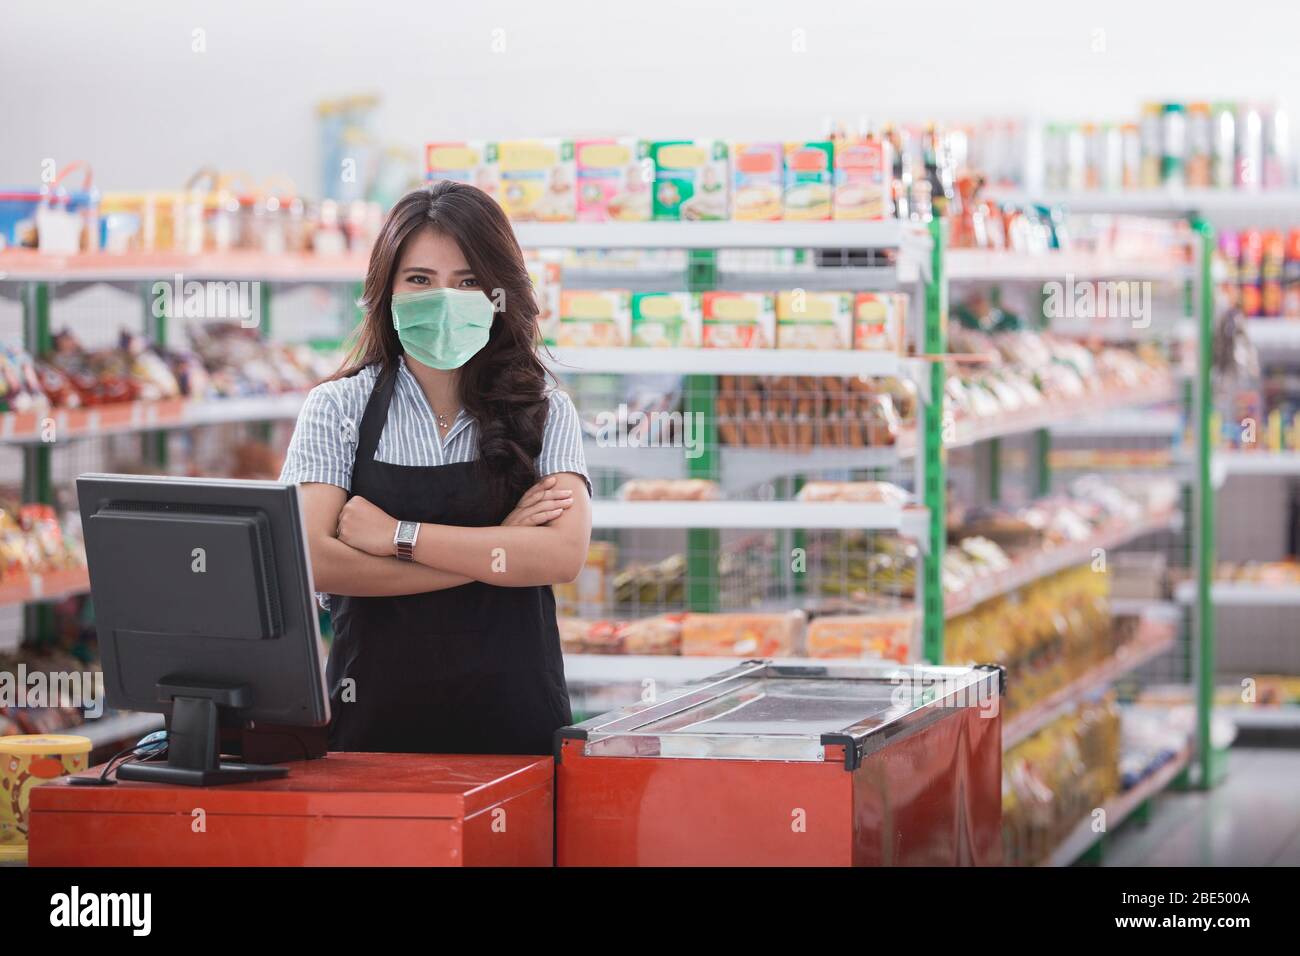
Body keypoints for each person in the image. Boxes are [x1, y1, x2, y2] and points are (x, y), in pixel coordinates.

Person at [279, 181, 591, 755]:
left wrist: (397, 537)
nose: (443, 299)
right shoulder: (338, 407)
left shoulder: (545, 408)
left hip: (514, 729)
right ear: (386, 290)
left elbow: (562, 556)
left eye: (468, 282)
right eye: (419, 280)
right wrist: (498, 551)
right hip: (372, 727)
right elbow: (314, 561)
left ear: (501, 293)